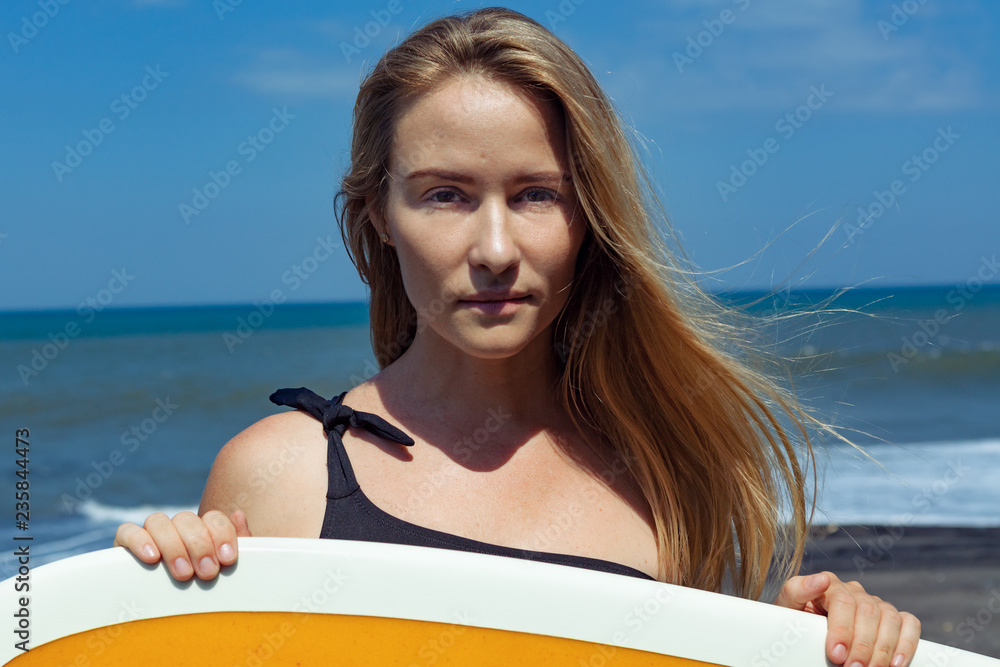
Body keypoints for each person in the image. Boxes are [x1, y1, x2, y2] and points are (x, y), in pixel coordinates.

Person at [114, 7, 920, 667]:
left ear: (588, 221)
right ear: (378, 219)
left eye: (537, 194)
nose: (496, 249)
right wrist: (160, 585)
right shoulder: (276, 476)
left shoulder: (663, 481)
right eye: (445, 196)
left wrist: (803, 643)